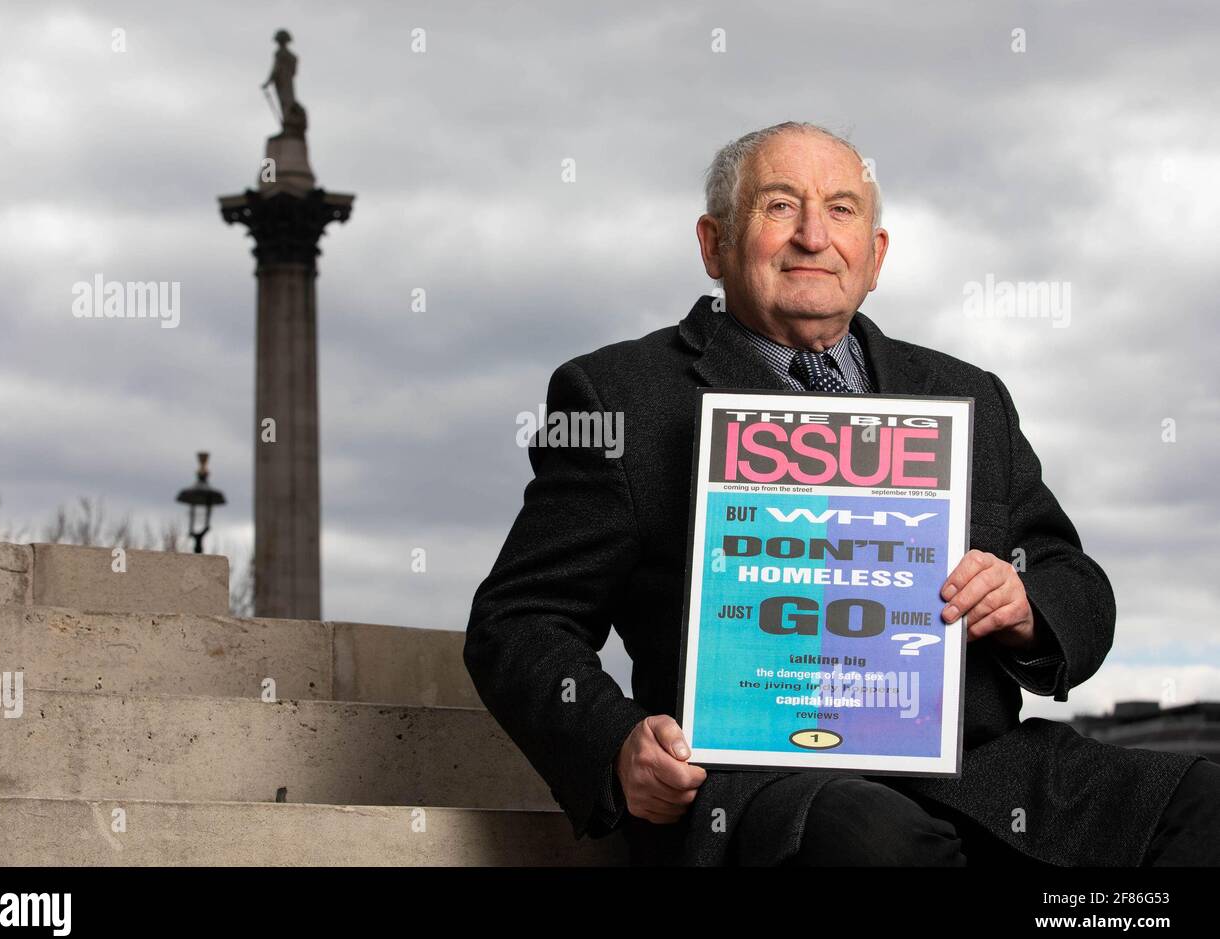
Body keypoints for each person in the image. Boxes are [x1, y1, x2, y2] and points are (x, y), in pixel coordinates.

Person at [465, 121, 1218, 866]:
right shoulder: (619, 398)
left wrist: (1024, 606)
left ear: (875, 256)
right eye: (780, 206)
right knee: (876, 843)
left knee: (1201, 803)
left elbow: (1075, 583)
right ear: (714, 244)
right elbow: (521, 620)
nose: (813, 238)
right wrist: (616, 747)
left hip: (986, 775)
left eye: (841, 210)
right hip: (760, 789)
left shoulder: (968, 397)